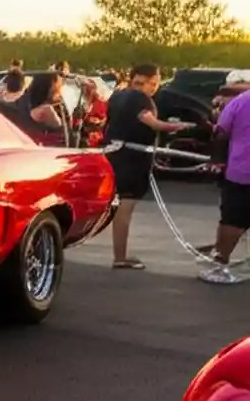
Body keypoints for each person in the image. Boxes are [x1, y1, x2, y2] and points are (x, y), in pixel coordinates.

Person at [104, 64, 191, 270]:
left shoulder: (117, 96)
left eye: (153, 83)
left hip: (116, 154)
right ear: (133, 80)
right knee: (125, 206)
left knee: (120, 206)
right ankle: (120, 257)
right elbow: (152, 123)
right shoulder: (139, 99)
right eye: (142, 83)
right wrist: (178, 126)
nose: (148, 88)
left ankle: (120, 255)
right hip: (132, 159)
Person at [197, 80, 249, 284]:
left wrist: (217, 161)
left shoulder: (241, 102)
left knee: (233, 219)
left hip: (242, 171)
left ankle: (220, 263)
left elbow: (220, 132)